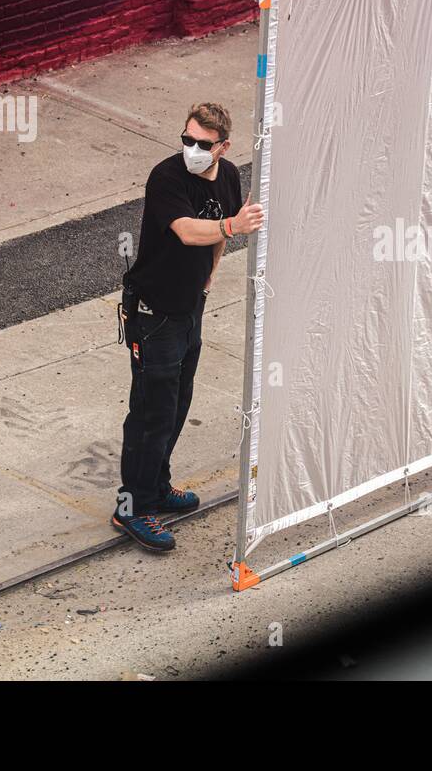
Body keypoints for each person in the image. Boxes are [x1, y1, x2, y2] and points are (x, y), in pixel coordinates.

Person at [114, 103, 264, 551]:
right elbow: (186, 230)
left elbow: (219, 237)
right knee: (149, 411)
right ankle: (131, 509)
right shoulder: (167, 177)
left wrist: (207, 281)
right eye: (187, 139)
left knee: (177, 402)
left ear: (223, 147)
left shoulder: (229, 175)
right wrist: (232, 226)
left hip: (188, 305)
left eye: (202, 144)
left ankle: (156, 487)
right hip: (152, 311)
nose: (192, 150)